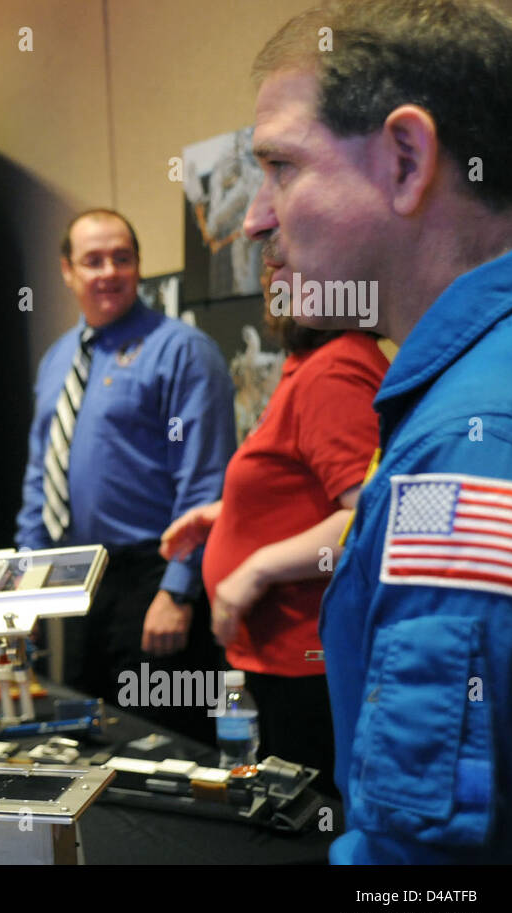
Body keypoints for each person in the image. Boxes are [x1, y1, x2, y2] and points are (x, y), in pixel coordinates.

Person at [244, 0, 512, 862]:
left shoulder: (466, 446)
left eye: (282, 167)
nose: (257, 216)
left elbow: (427, 871)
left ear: (407, 160)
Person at [16, 209, 236, 743]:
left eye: (123, 258)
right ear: (67, 271)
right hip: (79, 580)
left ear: (138, 267)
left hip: (154, 577)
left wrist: (177, 592)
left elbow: (204, 481)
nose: (109, 271)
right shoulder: (57, 360)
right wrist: (25, 585)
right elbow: (39, 476)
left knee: (164, 748)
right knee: (88, 743)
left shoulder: (183, 352)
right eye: (93, 261)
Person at [161, 287, 389, 796]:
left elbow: (369, 518)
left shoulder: (334, 371)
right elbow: (310, 488)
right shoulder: (311, 365)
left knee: (307, 827)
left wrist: (254, 569)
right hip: (277, 661)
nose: (278, 288)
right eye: (272, 273)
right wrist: (227, 514)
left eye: (291, 266)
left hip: (307, 664)